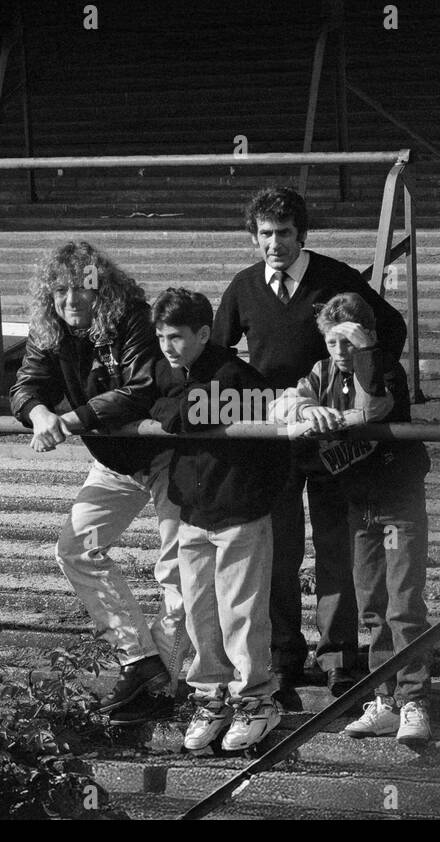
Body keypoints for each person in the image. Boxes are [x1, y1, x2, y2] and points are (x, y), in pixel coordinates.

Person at [212, 186, 407, 709]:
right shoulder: (244, 287)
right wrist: (256, 403)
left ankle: (339, 656)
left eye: (284, 234)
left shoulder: (336, 278)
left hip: (332, 440)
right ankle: (283, 652)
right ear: (254, 237)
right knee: (278, 549)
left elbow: (390, 331)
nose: (274, 244)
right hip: (276, 438)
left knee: (334, 545)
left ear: (302, 235)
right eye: (266, 235)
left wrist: (363, 389)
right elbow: (217, 355)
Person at [8, 240, 183, 725]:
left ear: (101, 290)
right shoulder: (51, 329)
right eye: (59, 291)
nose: (70, 301)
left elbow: (139, 390)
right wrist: (40, 410)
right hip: (115, 461)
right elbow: (25, 385)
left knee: (176, 572)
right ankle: (142, 661)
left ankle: (169, 678)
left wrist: (71, 420)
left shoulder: (133, 317)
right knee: (75, 548)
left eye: (81, 290)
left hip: (169, 456)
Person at [271, 292, 433, 745]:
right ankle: (383, 698)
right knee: (371, 606)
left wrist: (363, 355)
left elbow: (374, 406)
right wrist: (308, 410)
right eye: (333, 342)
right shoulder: (321, 372)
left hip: (397, 498)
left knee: (404, 605)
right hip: (358, 504)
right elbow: (285, 404)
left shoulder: (383, 368)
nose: (340, 352)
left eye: (350, 342)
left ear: (370, 339)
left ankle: (415, 698)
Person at [148, 288, 287, 751]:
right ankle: (212, 698)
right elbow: (168, 408)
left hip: (239, 513)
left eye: (177, 337)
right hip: (193, 512)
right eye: (161, 336)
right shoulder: (177, 373)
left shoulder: (234, 374)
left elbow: (186, 412)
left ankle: (256, 700)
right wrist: (170, 408)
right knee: (201, 614)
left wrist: (170, 409)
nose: (167, 346)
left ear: (204, 333)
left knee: (241, 613)